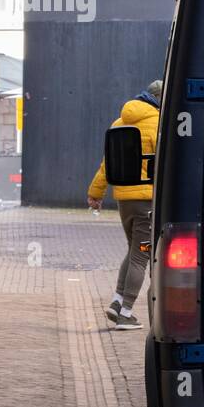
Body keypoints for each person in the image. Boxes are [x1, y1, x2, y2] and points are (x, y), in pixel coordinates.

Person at [87, 80, 161, 330]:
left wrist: (96, 193)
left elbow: (107, 164)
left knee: (133, 250)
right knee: (142, 255)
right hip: (147, 204)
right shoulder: (159, 124)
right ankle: (126, 312)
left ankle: (117, 301)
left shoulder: (119, 123)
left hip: (125, 202)